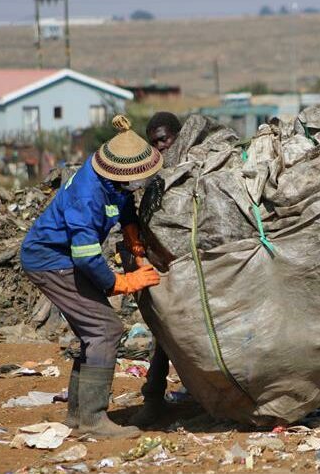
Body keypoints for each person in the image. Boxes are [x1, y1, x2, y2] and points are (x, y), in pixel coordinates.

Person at [21, 115, 163, 438]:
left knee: (93, 330)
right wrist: (122, 283)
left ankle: (76, 415)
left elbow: (123, 202)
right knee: (104, 330)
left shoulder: (111, 180)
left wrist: (132, 234)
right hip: (49, 260)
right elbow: (86, 257)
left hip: (62, 256)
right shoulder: (87, 197)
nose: (140, 183)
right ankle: (94, 420)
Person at [128, 111, 182, 429]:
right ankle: (153, 396)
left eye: (165, 139)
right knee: (164, 330)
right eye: (155, 143)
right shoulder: (156, 178)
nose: (160, 147)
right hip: (169, 266)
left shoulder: (202, 163)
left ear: (178, 135)